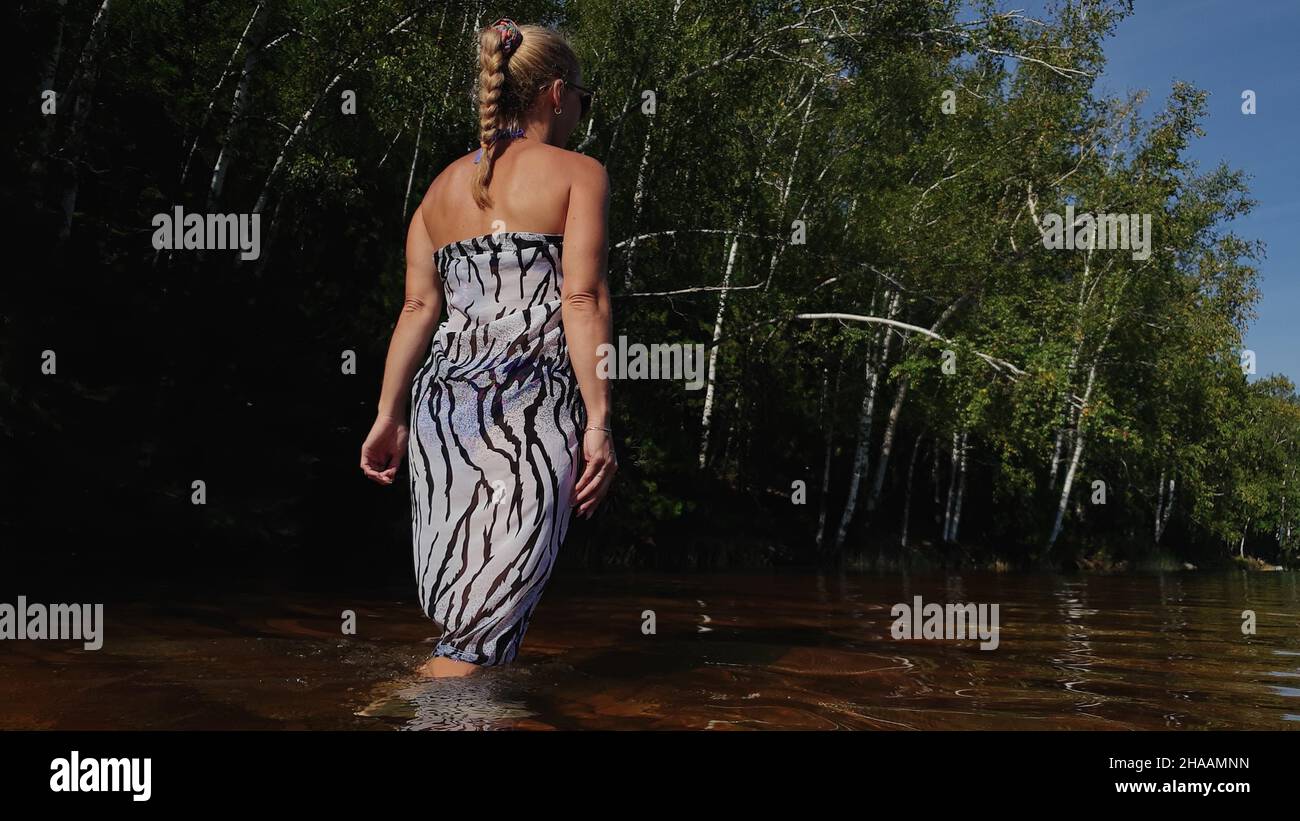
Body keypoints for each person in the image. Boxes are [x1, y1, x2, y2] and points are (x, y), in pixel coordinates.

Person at [360, 18, 616, 678]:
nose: (583, 113)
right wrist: (599, 424)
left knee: (483, 624)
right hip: (529, 412)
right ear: (557, 94)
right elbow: (581, 300)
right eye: (584, 99)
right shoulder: (579, 174)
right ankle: (378, 716)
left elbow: (418, 309)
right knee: (479, 635)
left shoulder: (438, 191)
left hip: (443, 414)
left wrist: (387, 414)